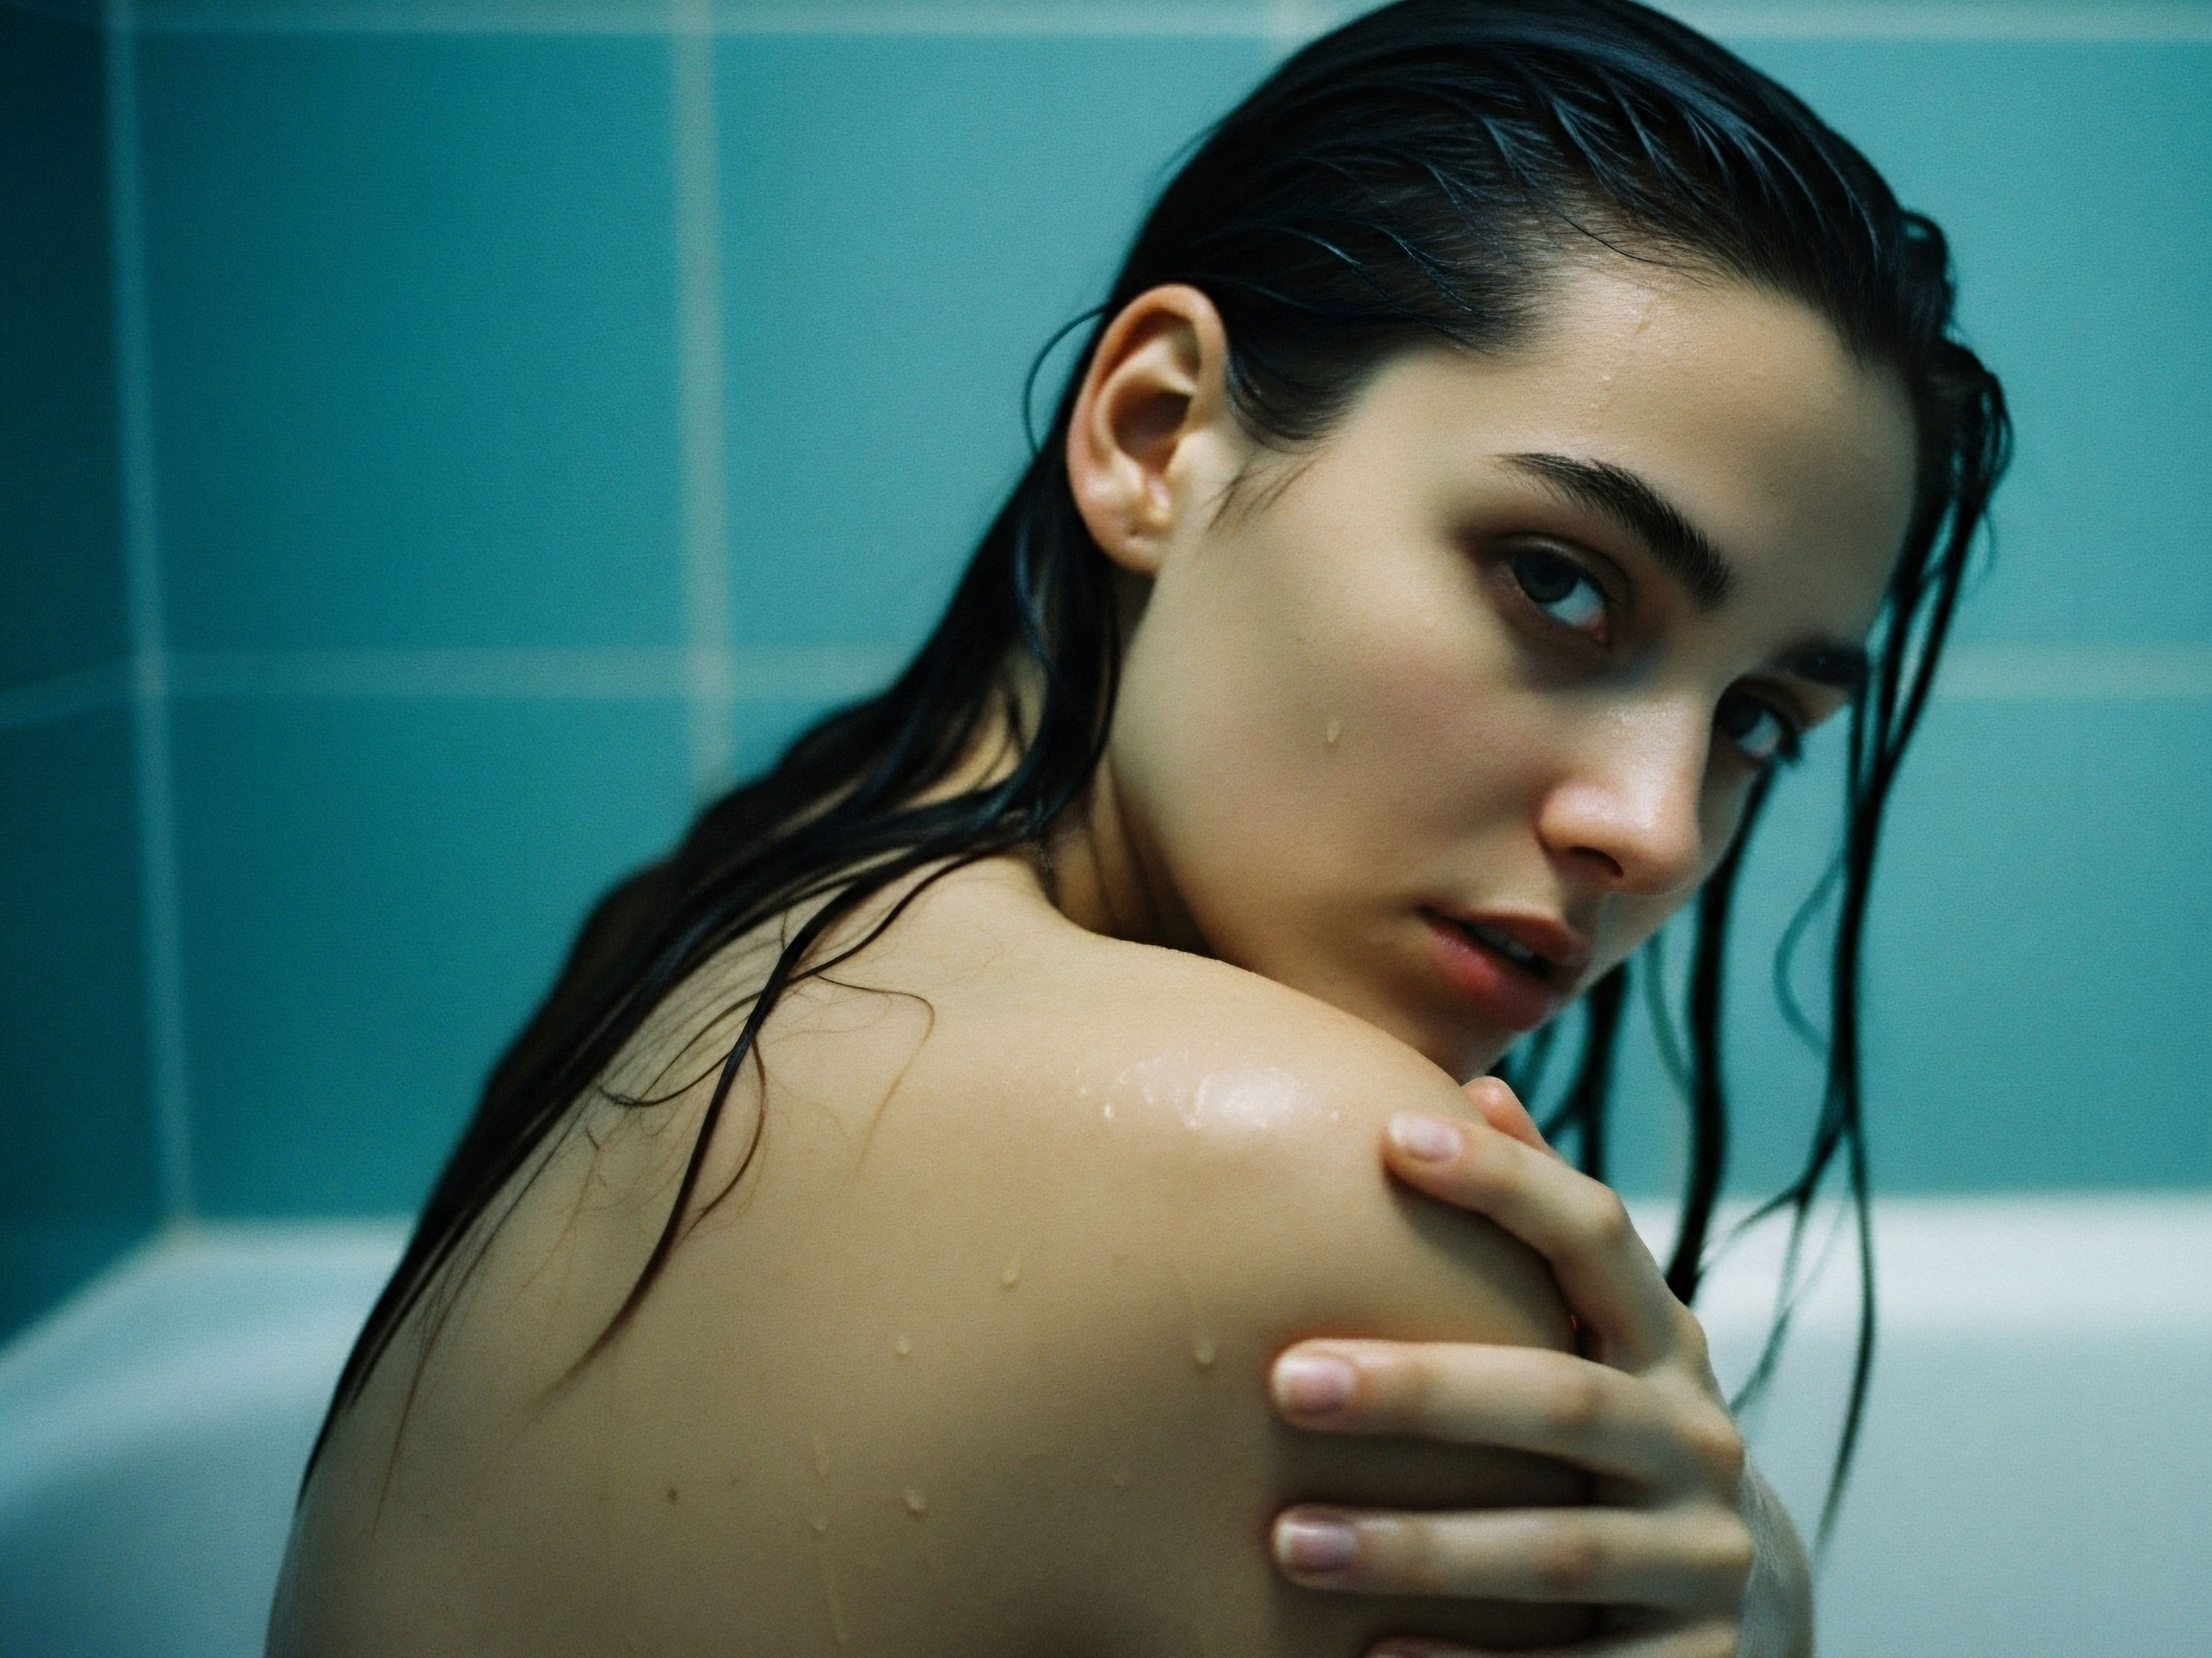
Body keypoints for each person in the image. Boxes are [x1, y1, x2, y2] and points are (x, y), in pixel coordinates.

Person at [269, 1, 2006, 1652]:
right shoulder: (1318, 1184)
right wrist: (1761, 1617)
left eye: (1756, 722)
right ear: (1156, 435)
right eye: (1558, 582)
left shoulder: (749, 885)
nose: (1657, 829)